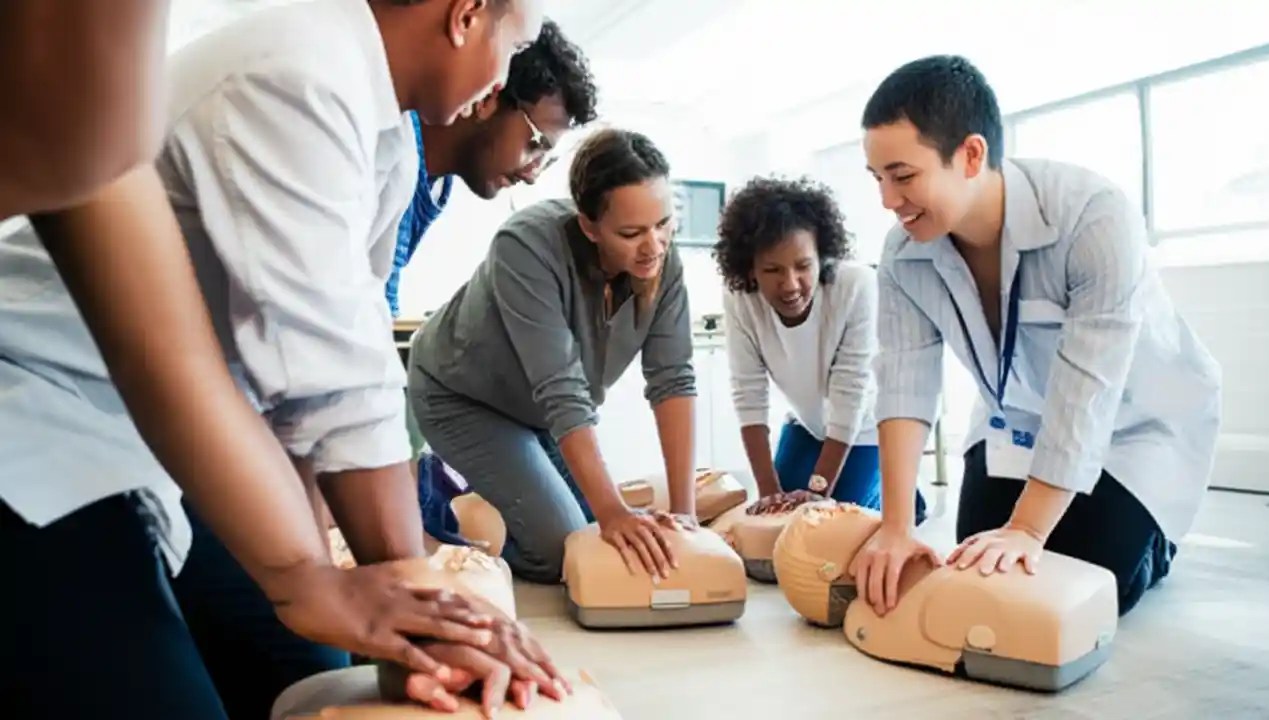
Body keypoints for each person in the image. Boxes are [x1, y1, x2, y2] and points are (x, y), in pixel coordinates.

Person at [0, 1, 569, 718]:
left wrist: (330, 577)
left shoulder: (384, 138)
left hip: (163, 436)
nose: (502, 79)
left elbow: (279, 378)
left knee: (304, 670)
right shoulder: (302, 74)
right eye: (512, 47)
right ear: (466, 14)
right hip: (41, 419)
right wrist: (406, 593)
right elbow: (331, 386)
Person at [851, 55, 1222, 619]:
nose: (887, 200)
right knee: (982, 568)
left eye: (902, 177)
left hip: (1132, 426)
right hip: (1016, 421)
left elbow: (1088, 392)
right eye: (877, 178)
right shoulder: (903, 252)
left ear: (970, 155)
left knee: (1083, 577)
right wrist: (896, 527)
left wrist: (1027, 528)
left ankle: (1152, 543)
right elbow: (904, 383)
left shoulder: (1093, 218)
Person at [409, 128, 700, 585]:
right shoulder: (525, 245)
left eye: (663, 224)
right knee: (561, 550)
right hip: (462, 398)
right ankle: (437, 498)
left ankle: (501, 493)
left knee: (598, 540)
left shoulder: (662, 260)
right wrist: (613, 512)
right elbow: (562, 390)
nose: (654, 246)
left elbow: (673, 380)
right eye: (631, 233)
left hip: (537, 412)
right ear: (589, 226)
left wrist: (686, 515)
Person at [714, 176, 927, 523]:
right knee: (780, 517)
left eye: (803, 266)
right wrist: (767, 492)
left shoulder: (856, 285)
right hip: (808, 423)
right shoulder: (740, 298)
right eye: (772, 270)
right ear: (750, 269)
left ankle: (904, 496)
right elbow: (748, 392)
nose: (790, 285)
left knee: (833, 522)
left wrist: (818, 489)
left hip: (869, 425)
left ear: (822, 256)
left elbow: (851, 391)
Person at [385, 18, 598, 319]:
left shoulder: (436, 184)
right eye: (535, 144)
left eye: (545, 159)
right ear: (490, 97)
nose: (532, 174)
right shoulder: (390, 151)